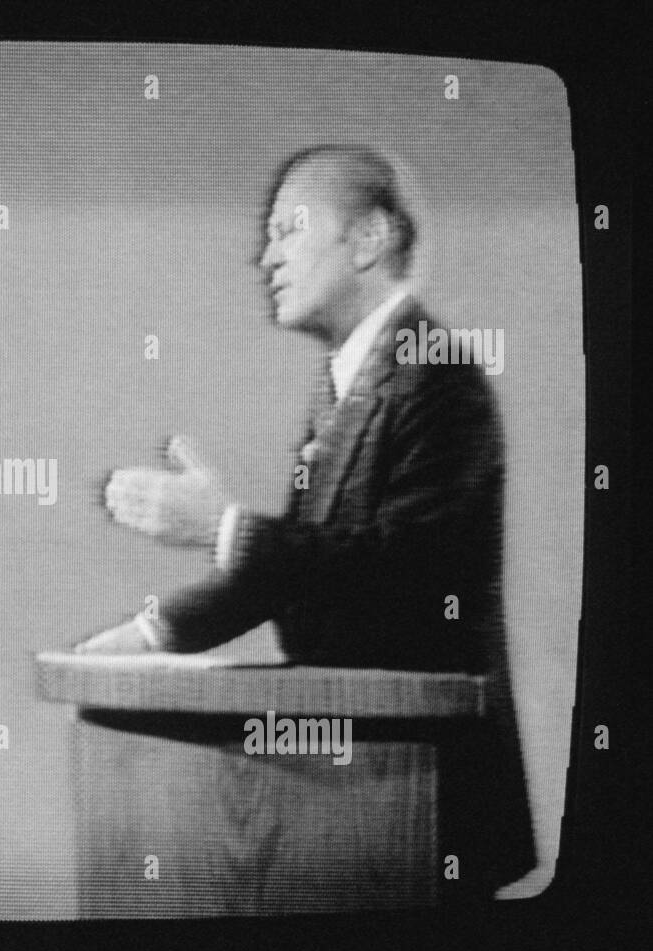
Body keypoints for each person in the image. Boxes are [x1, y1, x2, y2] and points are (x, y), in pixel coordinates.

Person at [79, 145, 535, 892]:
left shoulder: (438, 374)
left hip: (421, 798)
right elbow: (295, 571)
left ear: (368, 239)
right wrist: (139, 638)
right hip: (360, 783)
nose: (265, 257)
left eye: (287, 229)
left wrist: (220, 527)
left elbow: (404, 568)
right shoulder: (349, 383)